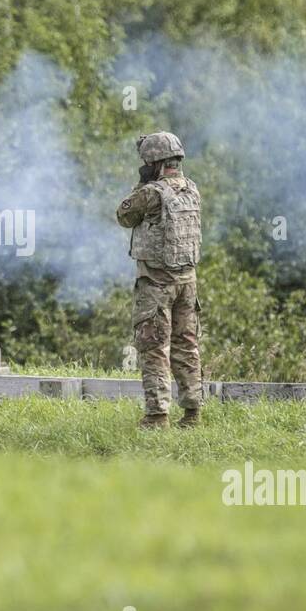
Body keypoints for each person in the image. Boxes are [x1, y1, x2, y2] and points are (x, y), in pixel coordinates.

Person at [115, 131, 204, 429]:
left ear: (153, 162)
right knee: (187, 345)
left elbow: (123, 215)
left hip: (156, 284)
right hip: (187, 283)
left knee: (153, 347)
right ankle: (192, 412)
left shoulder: (151, 192)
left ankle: (156, 416)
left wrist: (142, 182)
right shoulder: (191, 189)